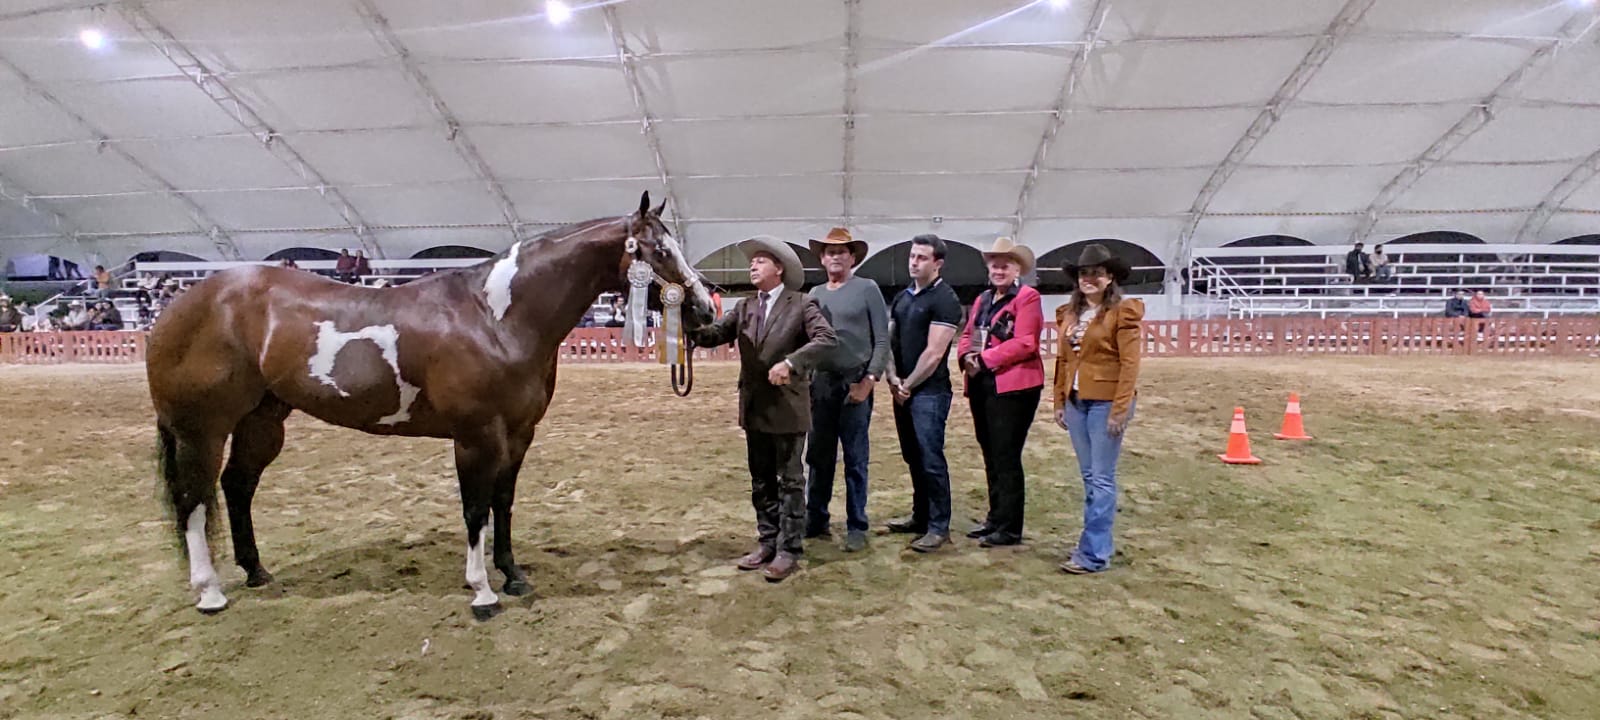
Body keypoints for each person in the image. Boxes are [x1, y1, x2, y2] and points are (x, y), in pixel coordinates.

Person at [689, 235, 836, 582]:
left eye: (761, 260)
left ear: (779, 269)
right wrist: (685, 320)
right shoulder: (743, 308)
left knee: (790, 480)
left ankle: (790, 549)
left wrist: (792, 363)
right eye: (752, 261)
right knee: (761, 481)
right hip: (754, 407)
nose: (752, 265)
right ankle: (767, 542)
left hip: (788, 407)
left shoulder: (802, 305)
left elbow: (827, 339)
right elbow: (712, 336)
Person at [1052, 243, 1143, 575]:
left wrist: (1121, 409)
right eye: (1083, 273)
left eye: (1096, 273)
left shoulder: (1123, 312)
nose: (1088, 278)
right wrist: (1059, 400)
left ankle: (1093, 553)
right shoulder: (1069, 314)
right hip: (1077, 403)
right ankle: (1096, 543)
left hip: (1106, 402)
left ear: (1110, 278)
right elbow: (1063, 360)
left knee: (1101, 478)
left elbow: (1130, 364)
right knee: (1089, 476)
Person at [802, 227, 889, 553]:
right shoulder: (815, 294)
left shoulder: (868, 289)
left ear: (852, 257)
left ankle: (857, 524)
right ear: (822, 259)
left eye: (841, 251)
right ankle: (816, 518)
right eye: (829, 252)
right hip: (821, 383)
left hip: (855, 381)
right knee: (818, 456)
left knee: (855, 457)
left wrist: (870, 379)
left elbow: (881, 338)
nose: (835, 257)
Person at [956, 237, 1044, 548]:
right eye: (994, 262)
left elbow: (1025, 342)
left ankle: (1009, 527)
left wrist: (984, 360)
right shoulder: (983, 299)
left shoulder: (1028, 297)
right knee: (991, 454)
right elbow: (967, 333)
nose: (999, 267)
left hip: (1014, 386)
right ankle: (995, 518)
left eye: (1006, 262)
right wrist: (966, 355)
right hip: (983, 384)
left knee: (1006, 456)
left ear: (1017, 267)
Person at [884, 234, 964, 553]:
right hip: (903, 389)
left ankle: (939, 525)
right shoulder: (904, 298)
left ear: (938, 263)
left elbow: (934, 353)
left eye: (922, 258)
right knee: (912, 456)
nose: (914, 262)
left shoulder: (945, 299)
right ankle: (921, 515)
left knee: (931, 458)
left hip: (929, 392)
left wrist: (908, 383)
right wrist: (892, 377)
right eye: (912, 256)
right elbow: (889, 342)